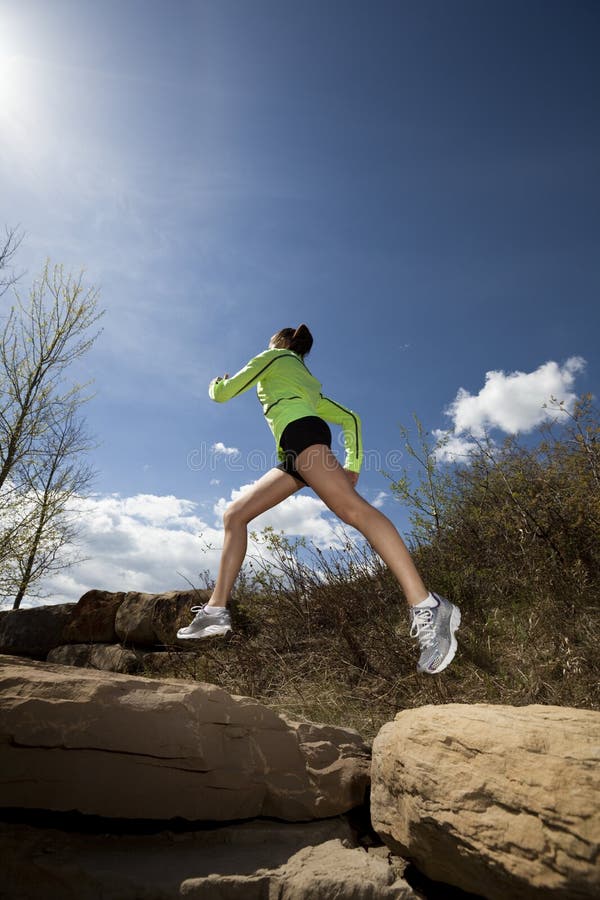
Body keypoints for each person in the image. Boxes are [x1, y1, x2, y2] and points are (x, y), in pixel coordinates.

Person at [178, 324, 460, 674]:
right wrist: (353, 465)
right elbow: (350, 418)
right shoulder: (307, 384)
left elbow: (224, 393)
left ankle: (427, 605)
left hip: (301, 436)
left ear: (280, 343)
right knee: (235, 515)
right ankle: (216, 611)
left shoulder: (274, 356)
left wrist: (214, 384)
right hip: (295, 449)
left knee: (353, 511)